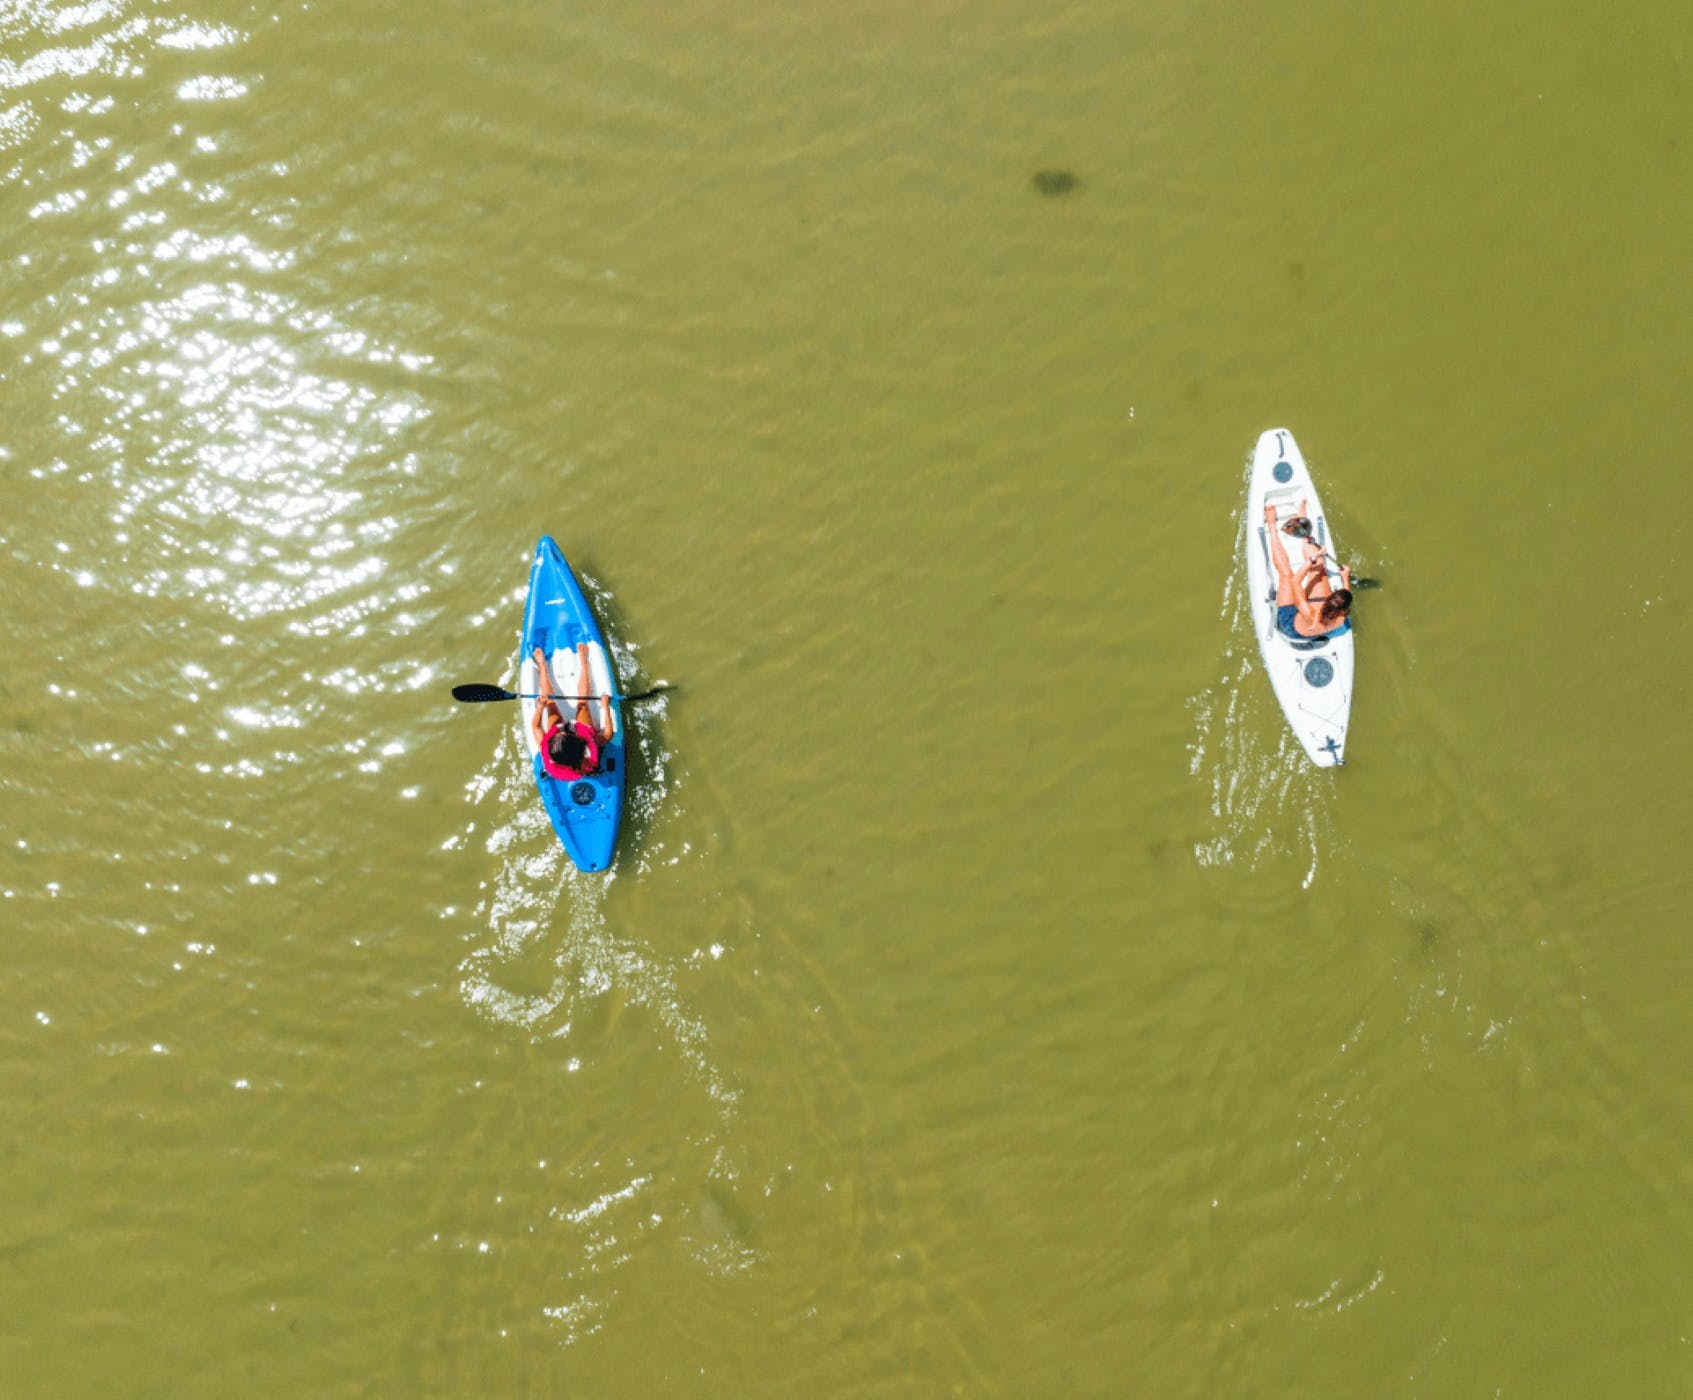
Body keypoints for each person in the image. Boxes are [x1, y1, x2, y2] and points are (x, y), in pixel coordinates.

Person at [1265, 500, 1352, 640]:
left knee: (1286, 575)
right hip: (1315, 616)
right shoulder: (1342, 617)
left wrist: (1311, 559)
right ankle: (1302, 524)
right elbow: (1347, 593)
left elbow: (1295, 582)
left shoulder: (1311, 615)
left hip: (1291, 623)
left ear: (1329, 598)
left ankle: (1271, 526)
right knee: (1319, 568)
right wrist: (1345, 577)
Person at [530, 644, 616, 780]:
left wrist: (541, 705)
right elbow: (608, 734)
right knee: (582, 703)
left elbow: (535, 726)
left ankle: (542, 666)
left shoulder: (548, 748)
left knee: (550, 704)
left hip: (564, 742)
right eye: (565, 732)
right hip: (579, 736)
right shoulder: (589, 752)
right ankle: (584, 662)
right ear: (579, 744)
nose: (565, 728)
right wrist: (605, 706)